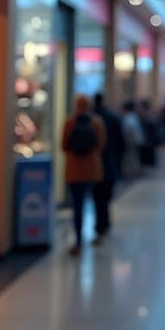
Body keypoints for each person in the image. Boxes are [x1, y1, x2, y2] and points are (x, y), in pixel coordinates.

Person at [62, 95, 106, 256]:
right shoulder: (97, 122)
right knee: (94, 201)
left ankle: (78, 241)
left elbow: (64, 145)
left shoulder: (69, 122)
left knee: (78, 205)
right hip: (92, 169)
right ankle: (96, 234)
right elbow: (101, 144)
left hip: (74, 170)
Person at [92, 93, 124, 238]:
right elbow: (121, 143)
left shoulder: (91, 119)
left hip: (94, 162)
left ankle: (100, 221)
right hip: (110, 161)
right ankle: (104, 220)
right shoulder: (112, 118)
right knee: (106, 193)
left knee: (97, 194)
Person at [121, 100, 144, 179]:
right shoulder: (133, 116)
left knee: (131, 157)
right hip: (134, 141)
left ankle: (132, 172)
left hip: (131, 142)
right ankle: (134, 171)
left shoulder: (129, 117)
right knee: (133, 157)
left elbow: (130, 130)